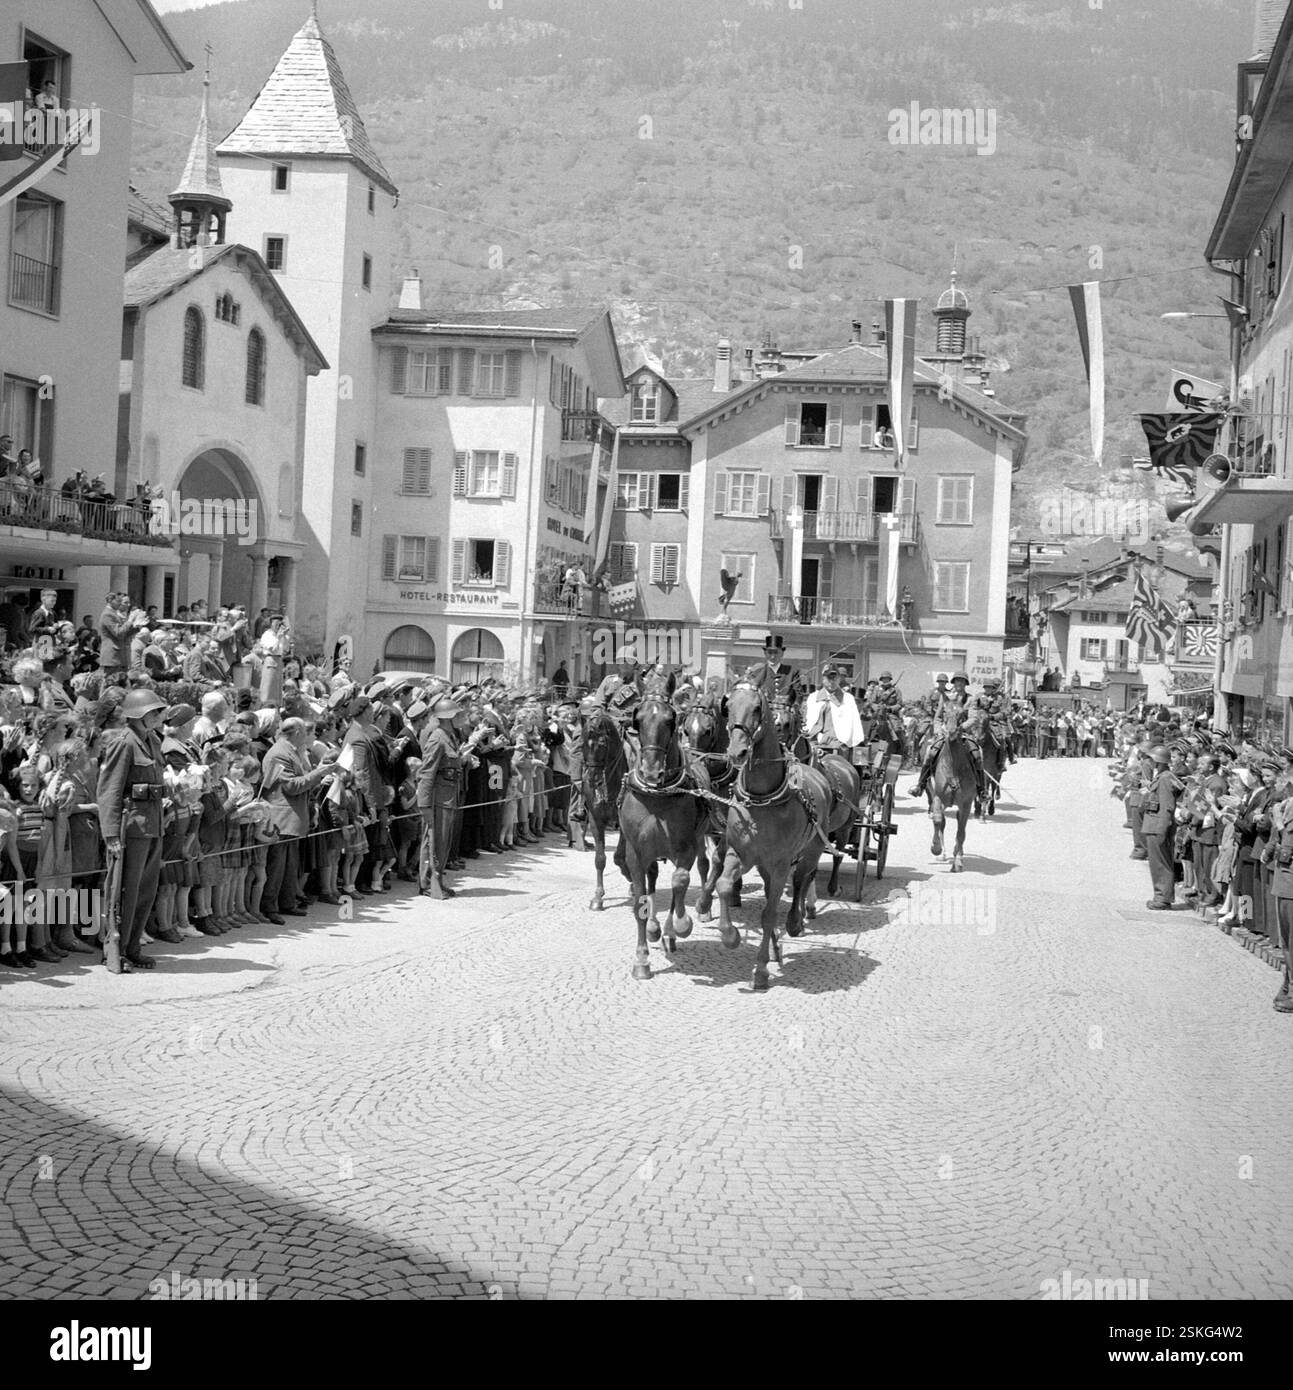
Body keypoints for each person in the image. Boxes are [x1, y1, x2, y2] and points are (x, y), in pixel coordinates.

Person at [96, 687, 168, 972]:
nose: (160, 717)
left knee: (145, 891)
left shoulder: (151, 740)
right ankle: (115, 950)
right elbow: (110, 790)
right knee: (123, 891)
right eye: (155, 712)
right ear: (140, 715)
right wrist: (111, 834)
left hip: (152, 824)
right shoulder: (123, 742)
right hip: (131, 827)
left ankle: (133, 946)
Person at [413, 697, 463, 899]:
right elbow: (426, 772)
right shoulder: (437, 737)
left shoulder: (449, 736)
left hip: (448, 796)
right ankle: (427, 882)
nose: (462, 717)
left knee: (443, 842)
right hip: (437, 798)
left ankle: (438, 879)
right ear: (449, 717)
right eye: (459, 714)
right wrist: (424, 804)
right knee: (433, 841)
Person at [1140, 745, 1180, 910]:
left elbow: (1167, 806)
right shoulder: (1163, 776)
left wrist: (1163, 828)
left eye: (1151, 759)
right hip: (1154, 824)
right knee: (1157, 863)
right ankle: (1161, 895)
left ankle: (1162, 897)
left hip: (1158, 826)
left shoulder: (1164, 778)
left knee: (1160, 864)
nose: (1149, 761)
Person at [803, 666, 865, 755]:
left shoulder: (847, 698)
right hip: (813, 742)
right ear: (823, 679)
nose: (832, 682)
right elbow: (807, 720)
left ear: (839, 680)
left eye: (835, 679)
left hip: (836, 743)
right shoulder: (813, 697)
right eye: (828, 679)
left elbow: (853, 723)